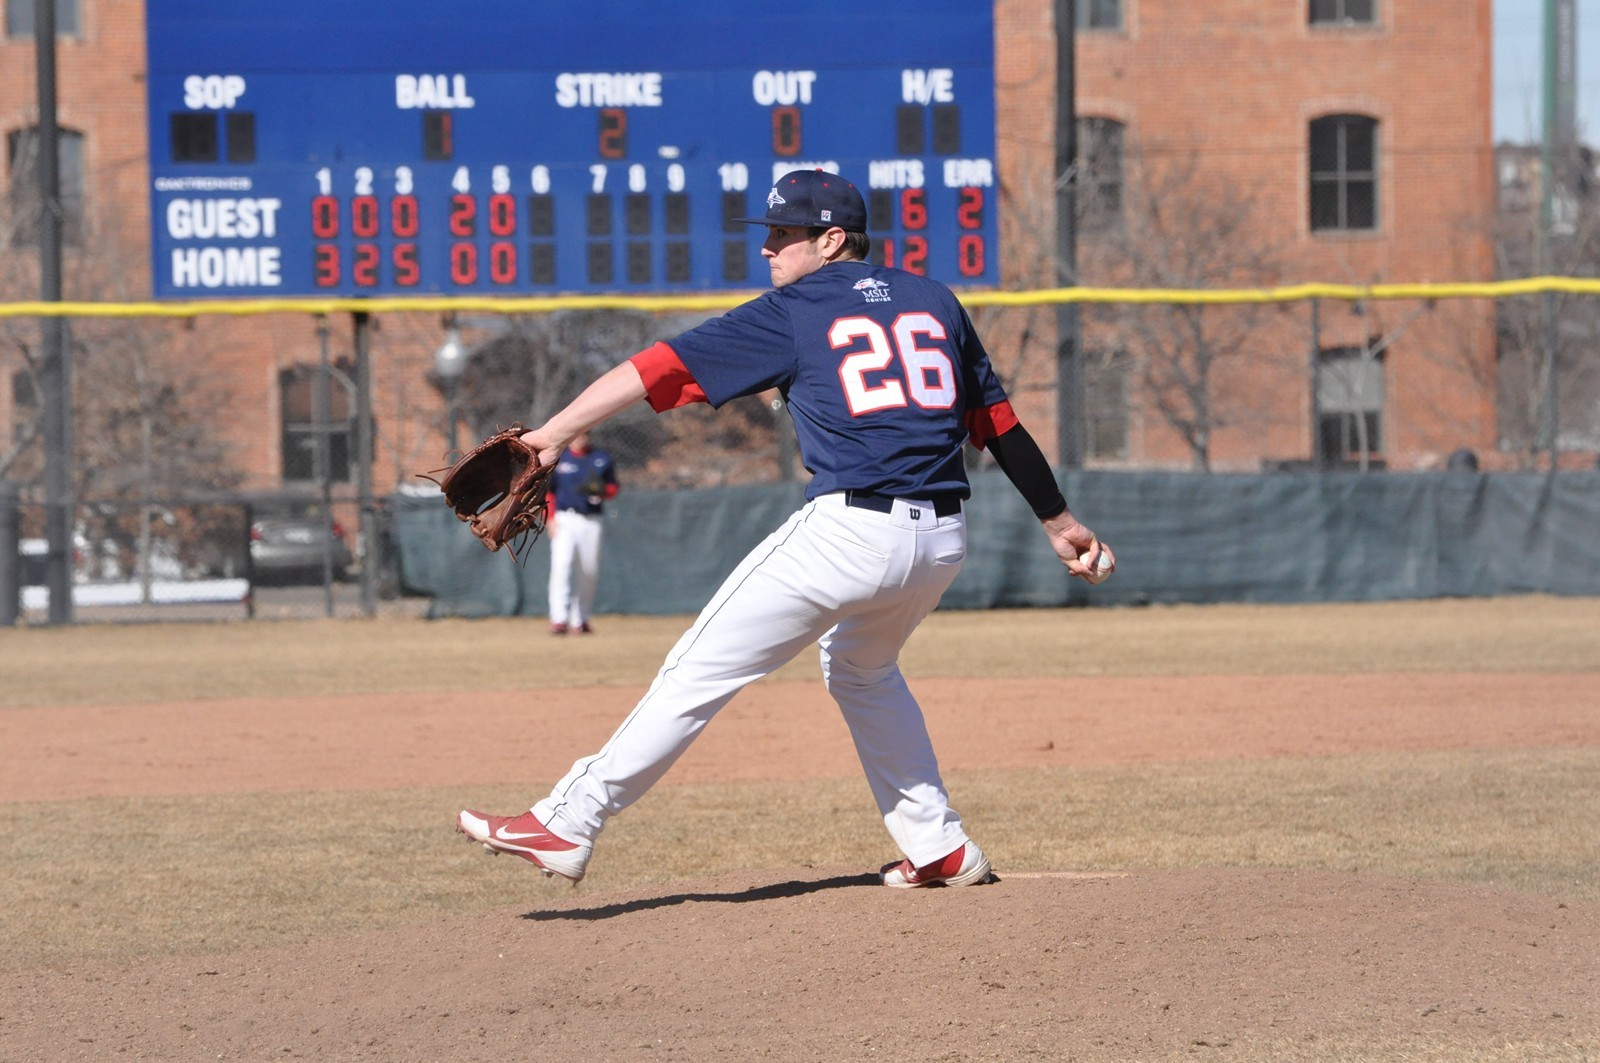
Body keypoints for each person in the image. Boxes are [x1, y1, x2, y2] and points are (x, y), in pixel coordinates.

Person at [458, 169, 1113, 889]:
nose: (767, 249)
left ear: (832, 240)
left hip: (851, 533)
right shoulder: (936, 299)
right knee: (863, 670)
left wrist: (551, 434)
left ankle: (567, 820)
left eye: (783, 234)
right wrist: (1059, 519)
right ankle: (940, 847)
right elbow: (999, 425)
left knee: (697, 667)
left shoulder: (797, 309)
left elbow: (656, 369)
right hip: (942, 539)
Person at [546, 430, 618, 635]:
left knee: (589, 570)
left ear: (588, 436)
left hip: (591, 520)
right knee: (561, 566)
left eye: (583, 434)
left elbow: (613, 488)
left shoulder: (601, 459)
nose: (579, 438)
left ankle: (580, 619)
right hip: (564, 519)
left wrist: (603, 491)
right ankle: (558, 619)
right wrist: (550, 519)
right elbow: (549, 491)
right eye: (576, 435)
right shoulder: (561, 459)